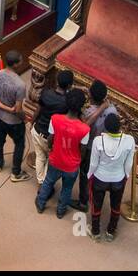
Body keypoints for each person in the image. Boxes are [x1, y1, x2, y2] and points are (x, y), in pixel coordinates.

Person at [35, 89, 89, 219]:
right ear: (81, 107)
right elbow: (83, 149)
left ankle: (41, 203)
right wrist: (79, 161)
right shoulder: (85, 129)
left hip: (55, 160)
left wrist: (50, 149)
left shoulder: (55, 119)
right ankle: (60, 210)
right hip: (72, 165)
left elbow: (50, 139)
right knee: (67, 188)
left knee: (48, 182)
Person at [87, 113, 135, 241]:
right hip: (118, 179)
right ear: (120, 126)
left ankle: (95, 232)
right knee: (115, 206)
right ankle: (110, 232)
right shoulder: (129, 140)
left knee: (96, 206)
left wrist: (89, 175)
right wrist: (126, 175)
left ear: (106, 128)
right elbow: (128, 163)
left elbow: (93, 163)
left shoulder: (98, 141)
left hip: (99, 178)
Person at [77, 79, 118, 210]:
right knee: (98, 173)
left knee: (85, 173)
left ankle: (83, 201)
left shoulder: (87, 112)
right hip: (105, 149)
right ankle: (95, 196)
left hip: (90, 148)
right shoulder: (112, 110)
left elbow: (84, 126)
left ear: (91, 96)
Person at [0, 50, 30, 183]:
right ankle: (16, 172)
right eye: (20, 60)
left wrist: (6, 108)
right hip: (14, 122)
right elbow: (18, 109)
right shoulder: (20, 85)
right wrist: (24, 118)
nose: (22, 61)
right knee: (19, 144)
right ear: (16, 65)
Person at [30, 69, 73, 181]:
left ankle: (40, 181)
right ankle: (44, 183)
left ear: (57, 82)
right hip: (51, 137)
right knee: (50, 159)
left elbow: (38, 109)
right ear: (69, 86)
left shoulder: (46, 92)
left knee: (40, 157)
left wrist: (31, 123)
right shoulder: (66, 102)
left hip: (37, 130)